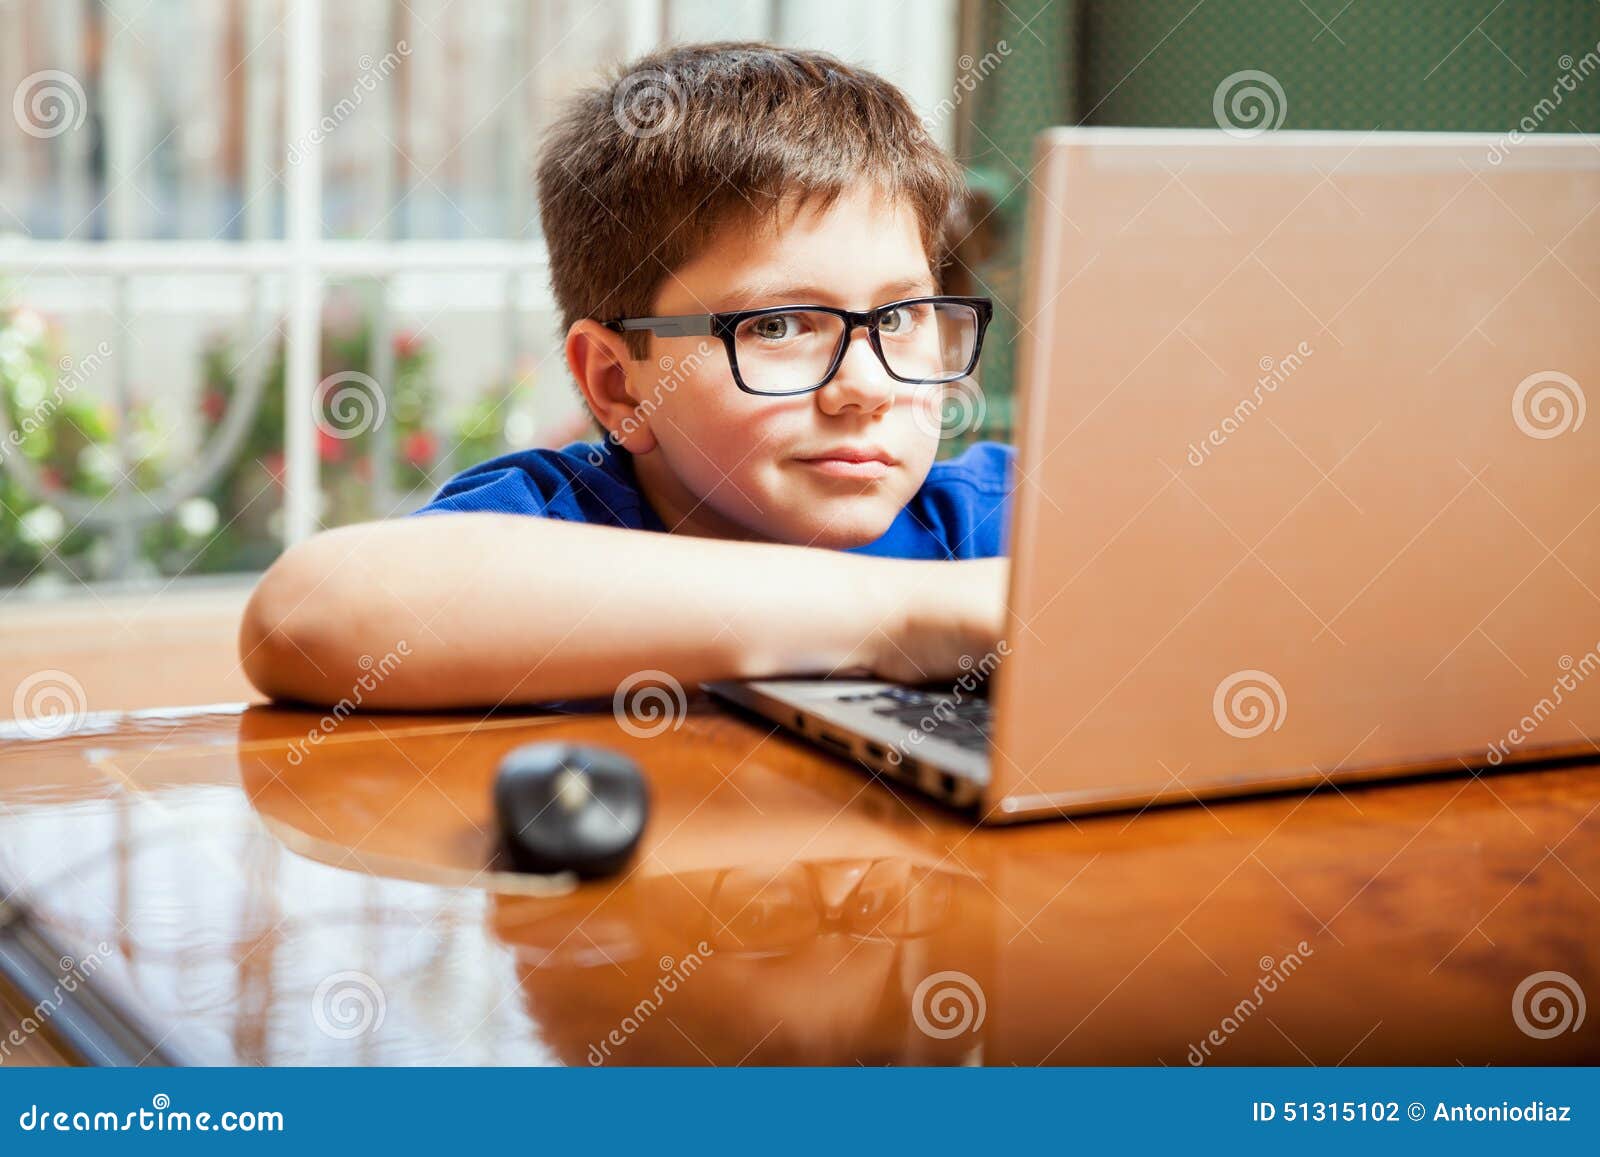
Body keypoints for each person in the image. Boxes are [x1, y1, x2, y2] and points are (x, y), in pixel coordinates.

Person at [240, 41, 1013, 710]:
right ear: (617, 384)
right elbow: (306, 615)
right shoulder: (560, 522)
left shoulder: (976, 520)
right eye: (777, 326)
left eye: (900, 318)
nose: (868, 387)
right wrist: (905, 616)